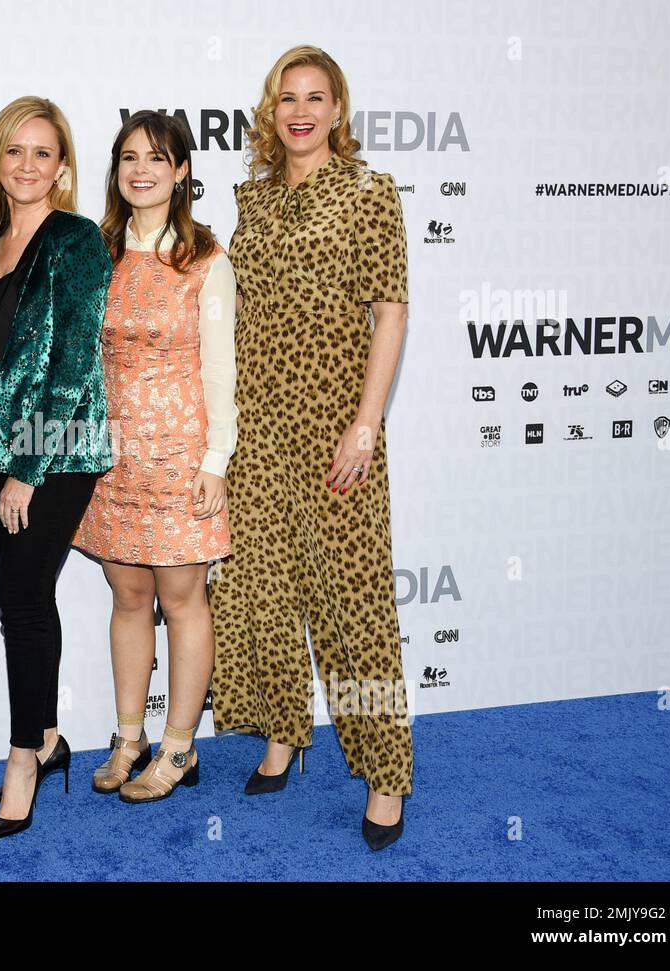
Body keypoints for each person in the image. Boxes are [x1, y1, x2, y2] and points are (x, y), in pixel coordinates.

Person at [210, 45, 414, 850]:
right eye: (287, 96)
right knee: (260, 584)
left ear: (338, 110)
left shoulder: (371, 192)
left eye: (316, 96)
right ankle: (284, 735)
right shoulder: (253, 202)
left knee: (354, 602)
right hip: (256, 423)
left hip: (336, 424)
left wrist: (366, 423)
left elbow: (389, 312)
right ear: (273, 109)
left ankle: (387, 772)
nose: (300, 109)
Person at [0, 96, 113, 839]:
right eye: (14, 151)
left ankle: (23, 757)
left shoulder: (76, 240)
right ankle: (46, 738)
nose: (26, 165)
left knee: (18, 588)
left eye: (42, 152)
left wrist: (27, 468)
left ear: (64, 167)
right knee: (28, 592)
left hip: (55, 451)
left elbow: (75, 362)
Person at [72, 110, 237, 804]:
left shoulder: (205, 258)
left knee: (182, 598)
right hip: (111, 459)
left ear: (182, 172)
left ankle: (178, 748)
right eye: (129, 157)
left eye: (158, 158)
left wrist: (216, 461)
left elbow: (221, 367)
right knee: (129, 596)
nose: (142, 169)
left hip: (181, 455)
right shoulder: (94, 251)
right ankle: (128, 735)